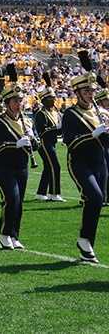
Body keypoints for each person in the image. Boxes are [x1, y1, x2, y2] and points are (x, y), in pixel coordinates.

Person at [63, 72, 108, 263]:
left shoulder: (101, 113)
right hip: (80, 162)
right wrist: (93, 135)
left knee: (98, 200)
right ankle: (85, 240)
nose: (90, 94)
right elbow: (69, 142)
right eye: (86, 90)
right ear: (78, 93)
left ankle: (86, 243)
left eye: (92, 90)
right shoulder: (70, 114)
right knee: (95, 196)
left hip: (100, 162)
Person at [0, 82, 36, 250]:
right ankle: (4, 233)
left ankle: (15, 235)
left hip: (22, 166)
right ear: (7, 103)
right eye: (15, 101)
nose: (18, 104)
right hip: (3, 166)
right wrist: (15, 144)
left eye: (20, 100)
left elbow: (35, 146)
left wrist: (32, 139)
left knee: (20, 202)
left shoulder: (28, 122)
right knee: (12, 199)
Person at [33, 86, 63, 202]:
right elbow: (42, 131)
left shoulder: (55, 112)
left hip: (52, 142)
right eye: (50, 98)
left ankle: (41, 193)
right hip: (44, 143)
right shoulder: (41, 113)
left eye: (54, 98)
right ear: (44, 100)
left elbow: (58, 130)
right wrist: (56, 128)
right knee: (55, 167)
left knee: (47, 168)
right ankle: (54, 193)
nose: (53, 100)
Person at [96, 89, 109, 206]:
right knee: (101, 172)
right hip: (100, 144)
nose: (108, 101)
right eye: (106, 100)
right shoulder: (98, 112)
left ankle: (106, 197)